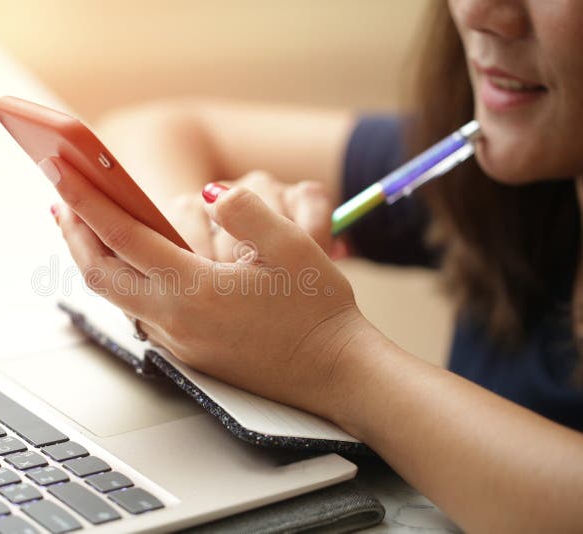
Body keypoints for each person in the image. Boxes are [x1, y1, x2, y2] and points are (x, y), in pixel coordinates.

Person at [41, 1, 583, 531]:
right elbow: (160, 129)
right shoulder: (518, 159)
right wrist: (200, 258)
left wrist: (331, 358)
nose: (482, 11)